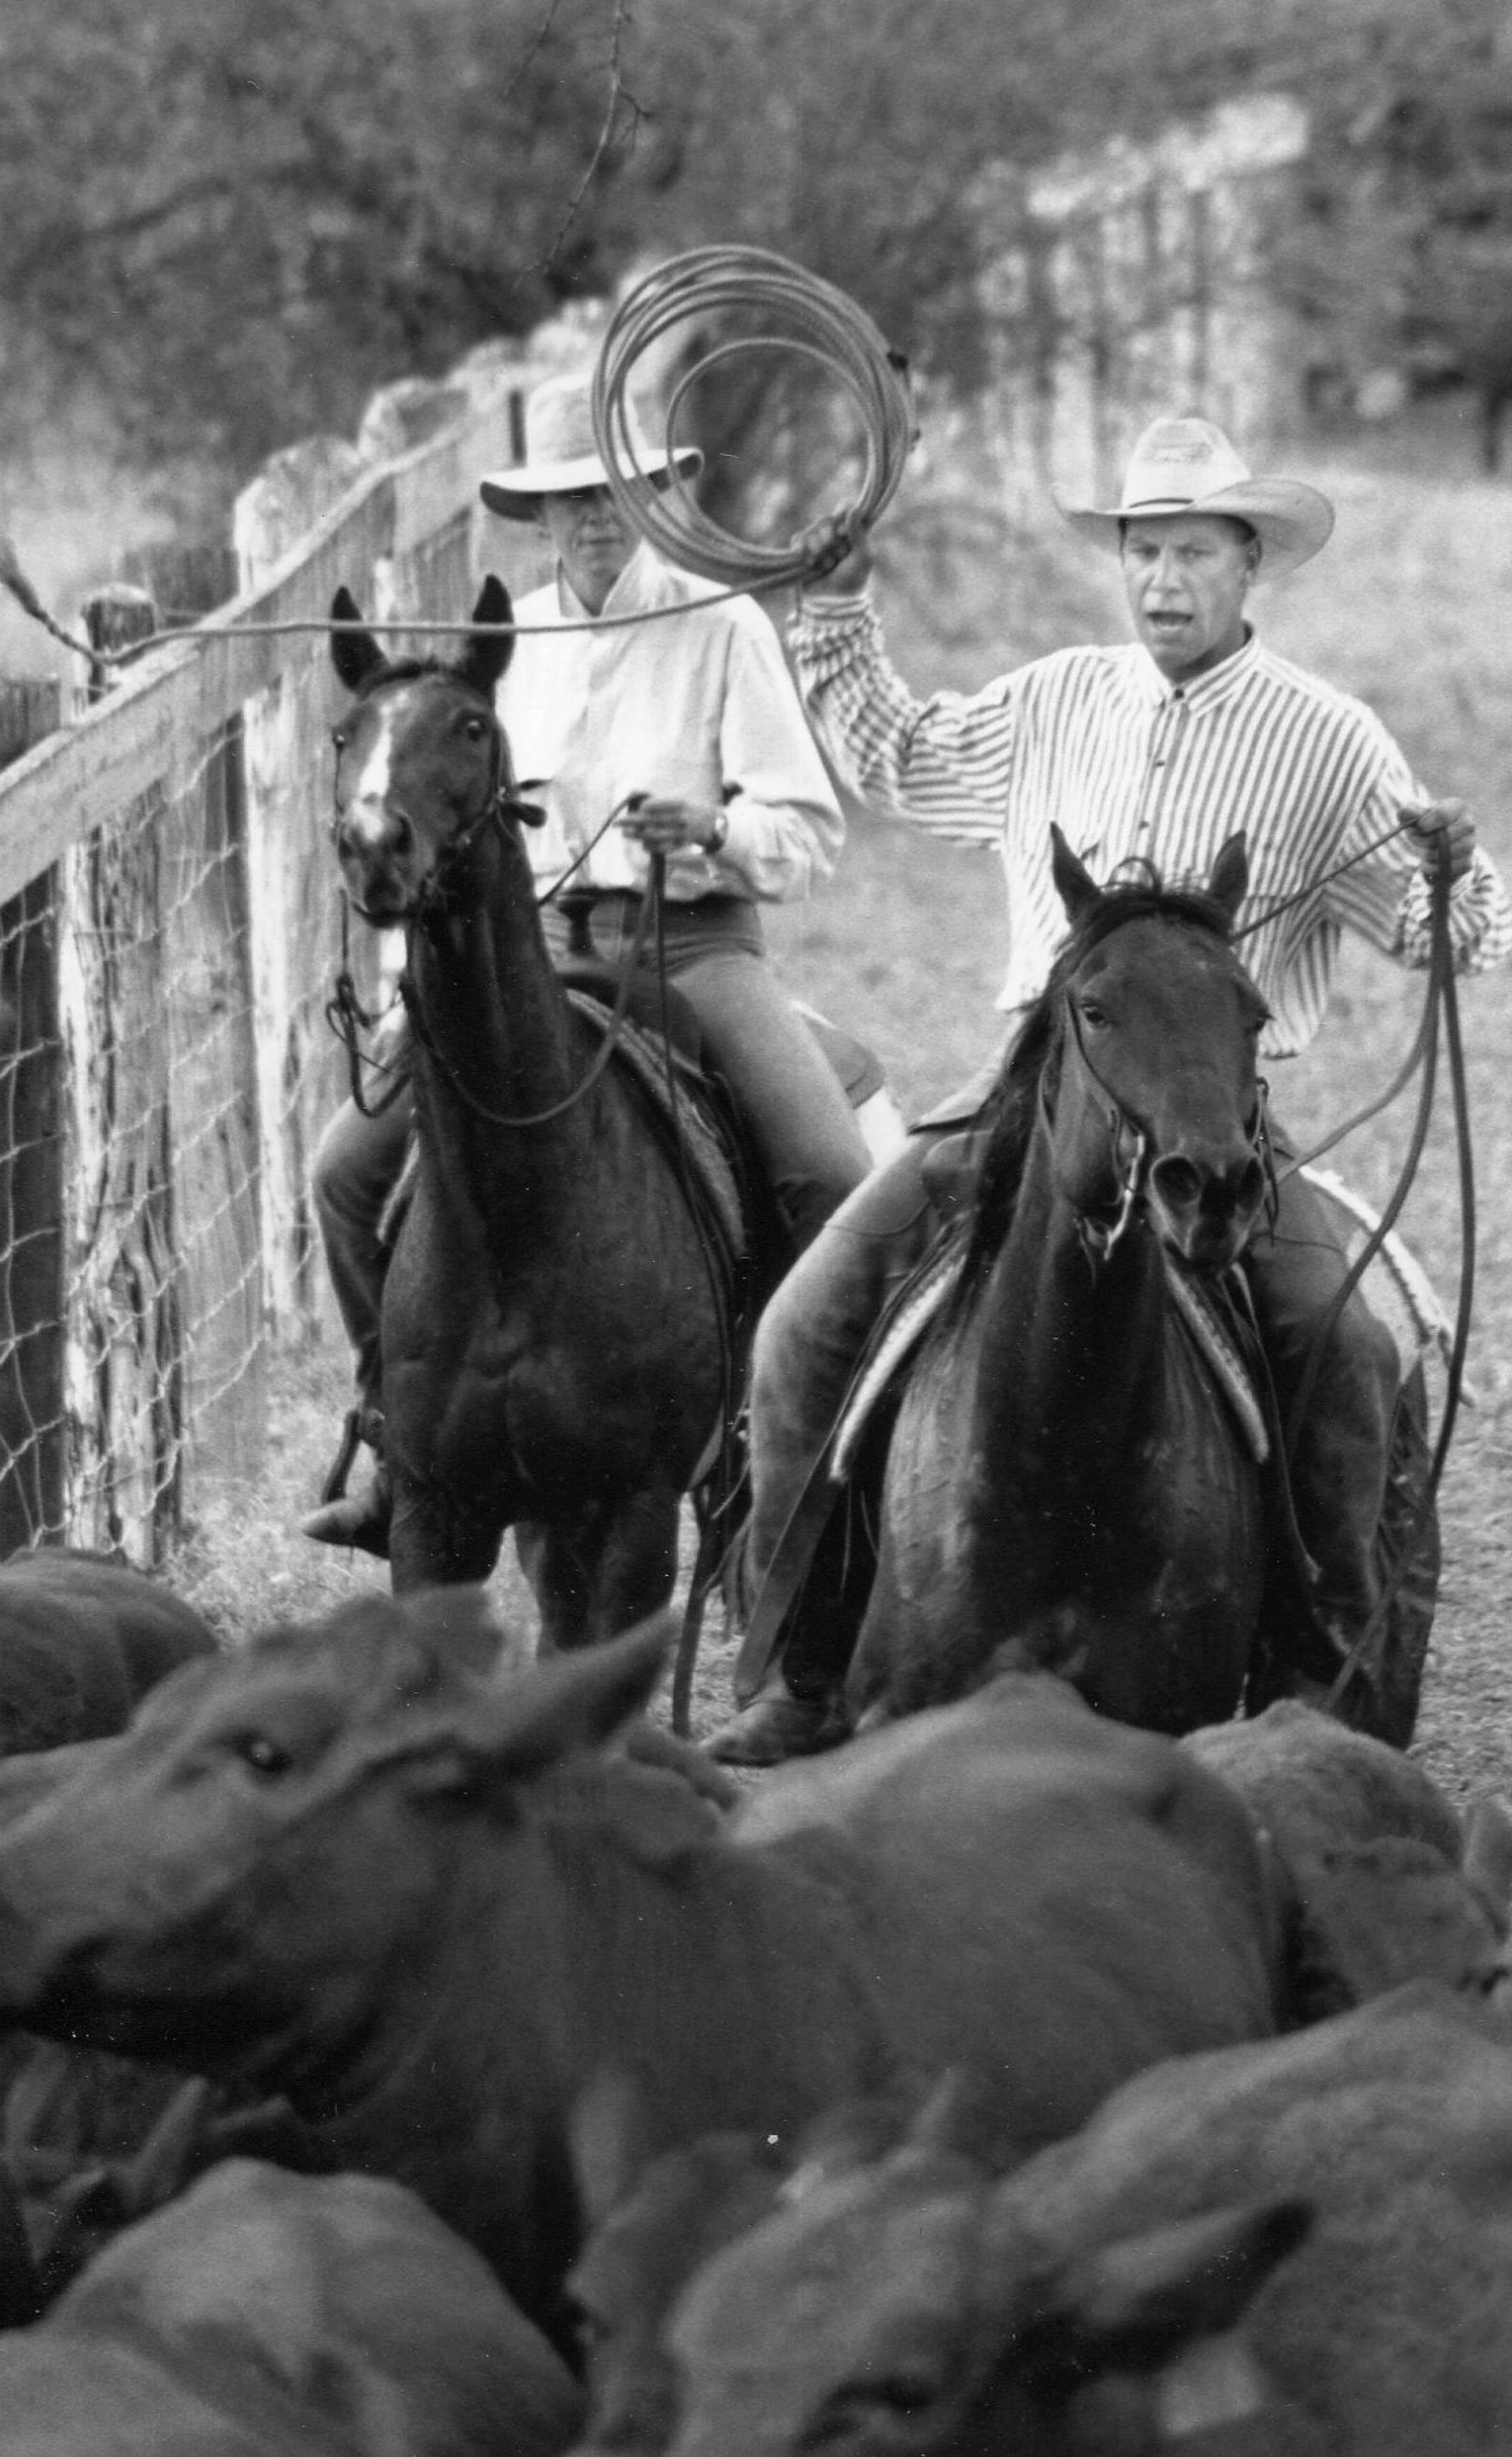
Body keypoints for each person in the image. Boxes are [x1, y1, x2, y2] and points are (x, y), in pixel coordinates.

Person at [713, 413, 1512, 1762]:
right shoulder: (1055, 699)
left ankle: (1321, 1704)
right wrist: (838, 603)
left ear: (1249, 563)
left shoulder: (1330, 740)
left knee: (1348, 1352)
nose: (1163, 580)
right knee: (801, 1328)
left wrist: (1451, 867)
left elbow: (1453, 936)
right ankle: (804, 1668)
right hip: (1021, 1101)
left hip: (1217, 1123)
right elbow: (901, 754)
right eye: (1144, 550)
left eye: (1193, 552)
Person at [302, 368, 873, 1555]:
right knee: (345, 1172)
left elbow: (809, 833)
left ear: (660, 496)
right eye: (572, 500)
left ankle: (782, 1448)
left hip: (691, 947)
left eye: (618, 492)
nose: (596, 518)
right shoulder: (504, 650)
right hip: (533, 956)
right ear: (541, 518)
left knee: (829, 1172)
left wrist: (712, 828)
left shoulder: (723, 626)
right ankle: (393, 1434)